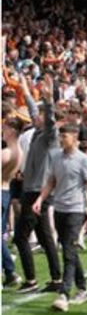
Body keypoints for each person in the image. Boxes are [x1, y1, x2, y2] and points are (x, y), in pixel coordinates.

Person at [33, 124, 87, 312]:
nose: (62, 140)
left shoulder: (83, 160)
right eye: (60, 137)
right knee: (68, 249)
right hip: (59, 208)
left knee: (68, 251)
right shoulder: (56, 157)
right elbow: (51, 181)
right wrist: (40, 199)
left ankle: (64, 293)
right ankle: (83, 287)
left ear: (75, 137)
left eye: (65, 136)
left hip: (76, 210)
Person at [13, 85, 62, 294]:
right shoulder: (37, 133)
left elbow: (49, 121)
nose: (36, 116)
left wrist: (49, 101)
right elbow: (34, 113)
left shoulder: (50, 135)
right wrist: (25, 90)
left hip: (37, 192)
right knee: (44, 237)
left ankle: (31, 280)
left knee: (21, 237)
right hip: (33, 188)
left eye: (40, 115)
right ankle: (56, 278)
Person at [2, 119, 23, 288]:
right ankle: (9, 271)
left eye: (5, 127)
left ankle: (9, 269)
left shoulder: (7, 152)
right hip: (6, 191)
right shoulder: (19, 151)